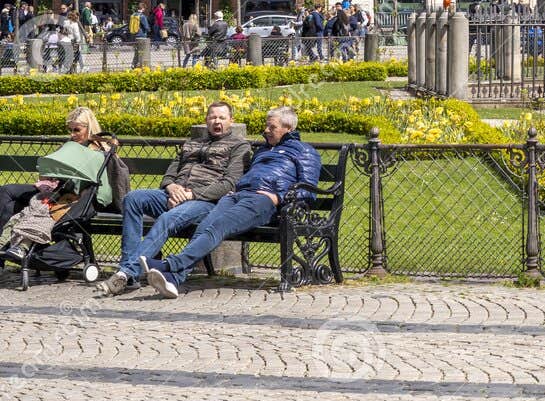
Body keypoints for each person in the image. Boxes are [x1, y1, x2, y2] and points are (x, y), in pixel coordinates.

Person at [141, 106, 321, 297]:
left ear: (288, 128)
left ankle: (169, 265)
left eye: (271, 127)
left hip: (262, 201)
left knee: (218, 226)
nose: (265, 130)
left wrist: (278, 197)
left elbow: (308, 190)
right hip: (236, 196)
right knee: (204, 227)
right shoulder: (263, 150)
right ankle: (173, 279)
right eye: (266, 126)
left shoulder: (304, 152)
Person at [95, 100, 251, 295]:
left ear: (231, 121)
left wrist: (190, 194)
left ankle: (126, 273)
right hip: (174, 194)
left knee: (167, 218)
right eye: (212, 117)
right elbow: (170, 173)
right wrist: (172, 186)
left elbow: (229, 183)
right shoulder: (192, 143)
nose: (216, 122)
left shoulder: (239, 146)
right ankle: (130, 274)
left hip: (204, 202)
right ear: (206, 120)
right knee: (133, 198)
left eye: (222, 118)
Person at [0, 107, 114, 234]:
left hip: (69, 197)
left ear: (89, 128)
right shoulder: (69, 146)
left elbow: (83, 185)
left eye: (77, 130)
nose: (72, 134)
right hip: (52, 189)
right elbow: (49, 172)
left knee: (10, 208)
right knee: (6, 190)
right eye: (70, 129)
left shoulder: (98, 151)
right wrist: (46, 179)